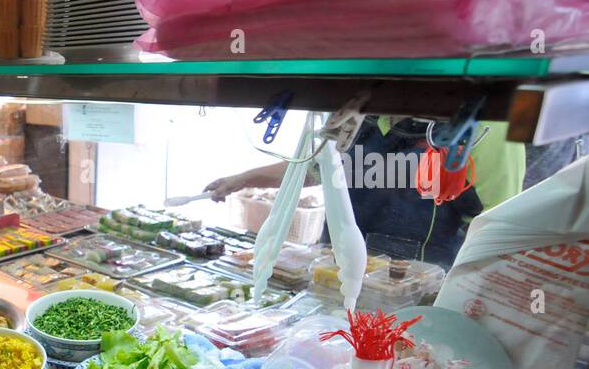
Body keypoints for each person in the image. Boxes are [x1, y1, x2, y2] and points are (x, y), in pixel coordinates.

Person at [203, 116, 527, 265]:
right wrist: (244, 178)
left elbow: (498, 231)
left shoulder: (489, 127)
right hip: (333, 283)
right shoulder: (357, 113)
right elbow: (314, 167)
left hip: (420, 301)